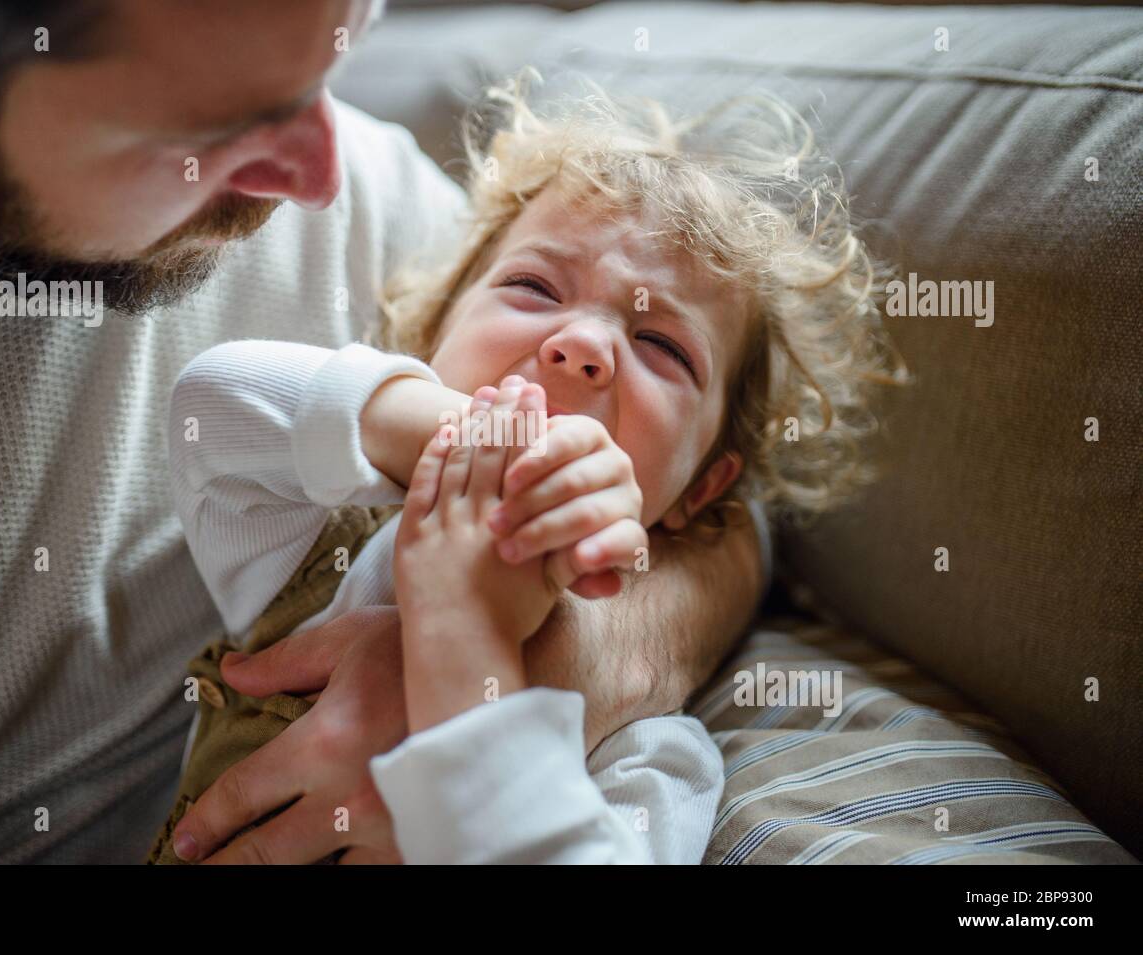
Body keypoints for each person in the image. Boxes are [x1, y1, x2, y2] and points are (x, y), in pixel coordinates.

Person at [0, 0, 762, 864]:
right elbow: (217, 410)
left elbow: (753, 519)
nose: (321, 182)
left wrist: (495, 656)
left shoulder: (385, 209)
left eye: (338, 56)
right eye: (209, 124)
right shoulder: (318, 539)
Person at [156, 76, 900, 864]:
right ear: (429, 338)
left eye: (663, 347)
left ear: (702, 488)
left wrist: (463, 635)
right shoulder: (320, 534)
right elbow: (214, 403)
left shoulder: (648, 748)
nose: (583, 344)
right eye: (533, 287)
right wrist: (455, 433)